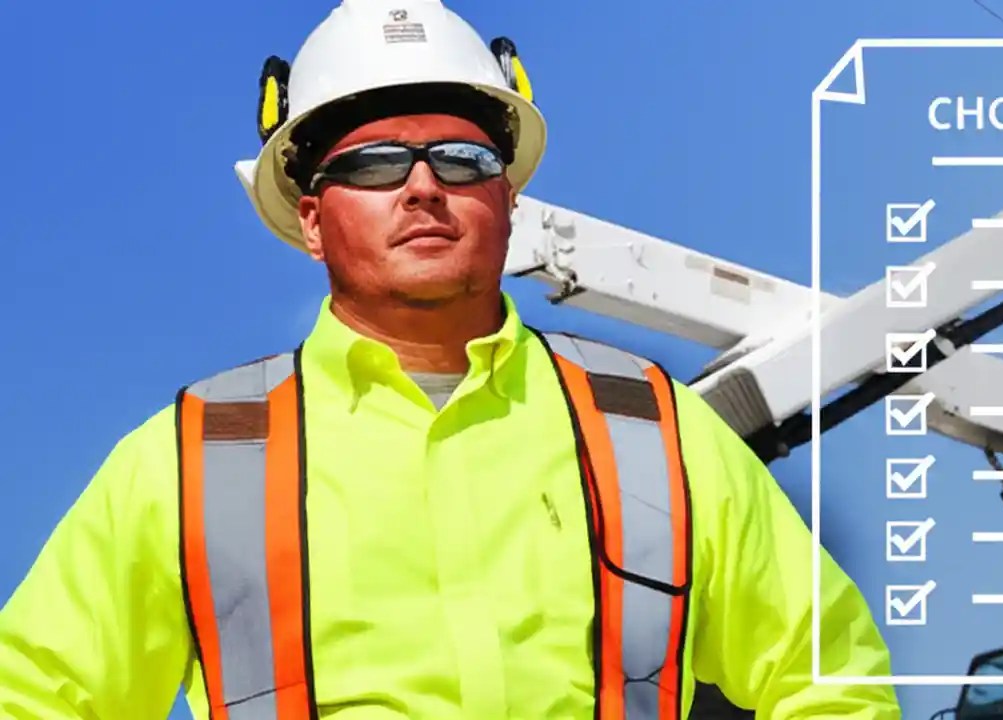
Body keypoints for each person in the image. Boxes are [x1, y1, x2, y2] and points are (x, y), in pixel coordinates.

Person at [0, 1, 902, 718]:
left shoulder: (654, 429)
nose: (425, 186)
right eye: (377, 163)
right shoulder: (195, 461)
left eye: (463, 157)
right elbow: (37, 698)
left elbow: (828, 677)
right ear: (311, 217)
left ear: (507, 200)